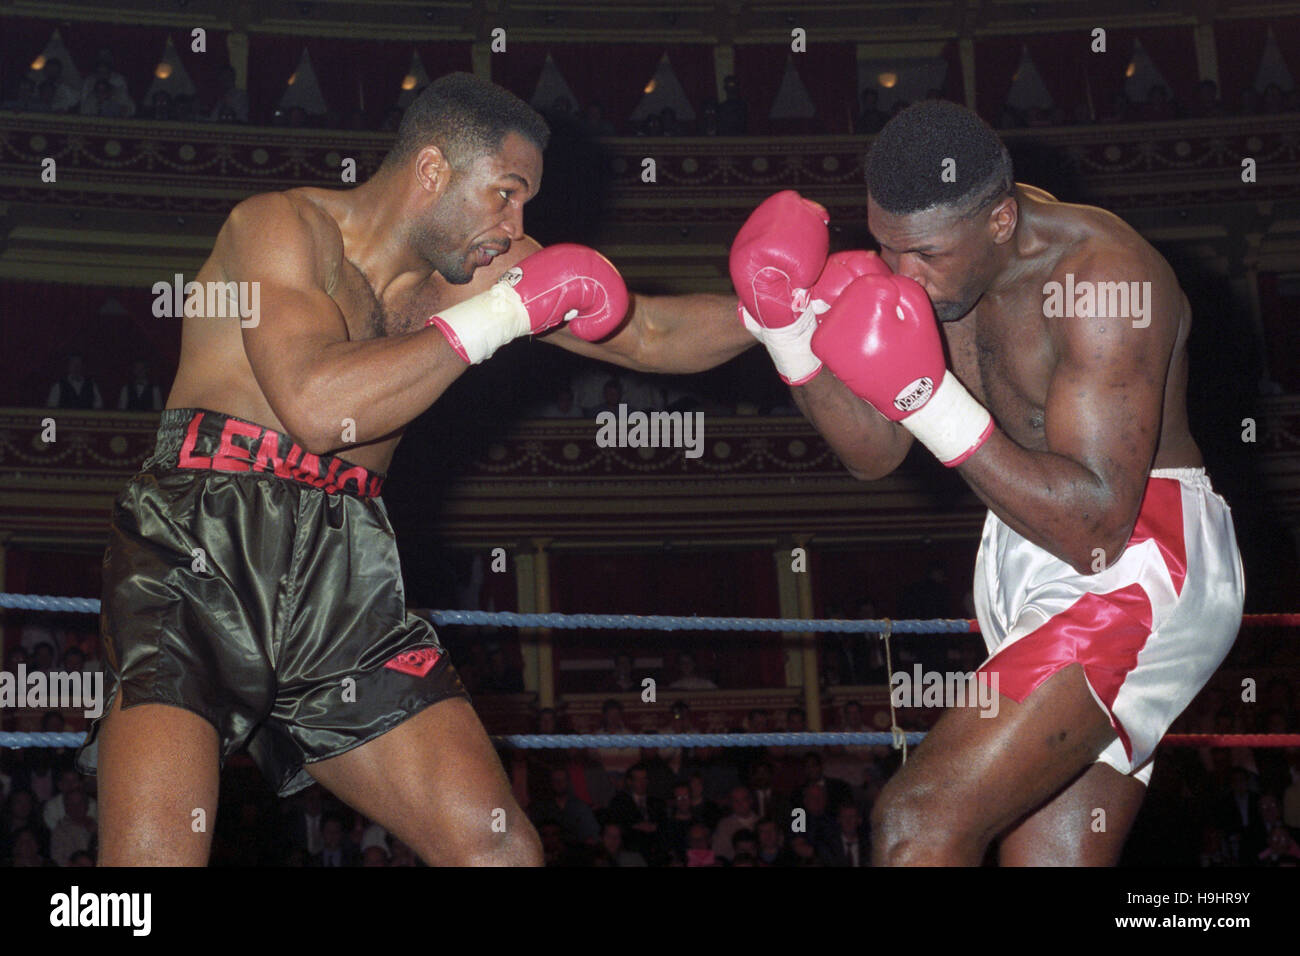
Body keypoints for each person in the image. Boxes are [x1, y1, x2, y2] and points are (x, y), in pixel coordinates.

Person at [76, 71, 758, 867]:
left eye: (526, 202)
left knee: (498, 853)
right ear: (432, 171)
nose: (516, 226)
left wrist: (781, 318)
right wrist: (499, 316)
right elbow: (315, 407)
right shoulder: (279, 228)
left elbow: (650, 333)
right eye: (505, 194)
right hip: (200, 549)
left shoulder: (480, 271)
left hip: (344, 567)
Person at [733, 100, 1244, 865]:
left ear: (1000, 221)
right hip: (1020, 550)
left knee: (918, 819)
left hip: (1133, 562)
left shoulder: (1102, 279)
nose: (903, 275)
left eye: (926, 253)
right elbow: (874, 453)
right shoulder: (934, 267)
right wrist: (788, 339)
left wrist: (929, 399)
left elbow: (1096, 526)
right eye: (884, 247)